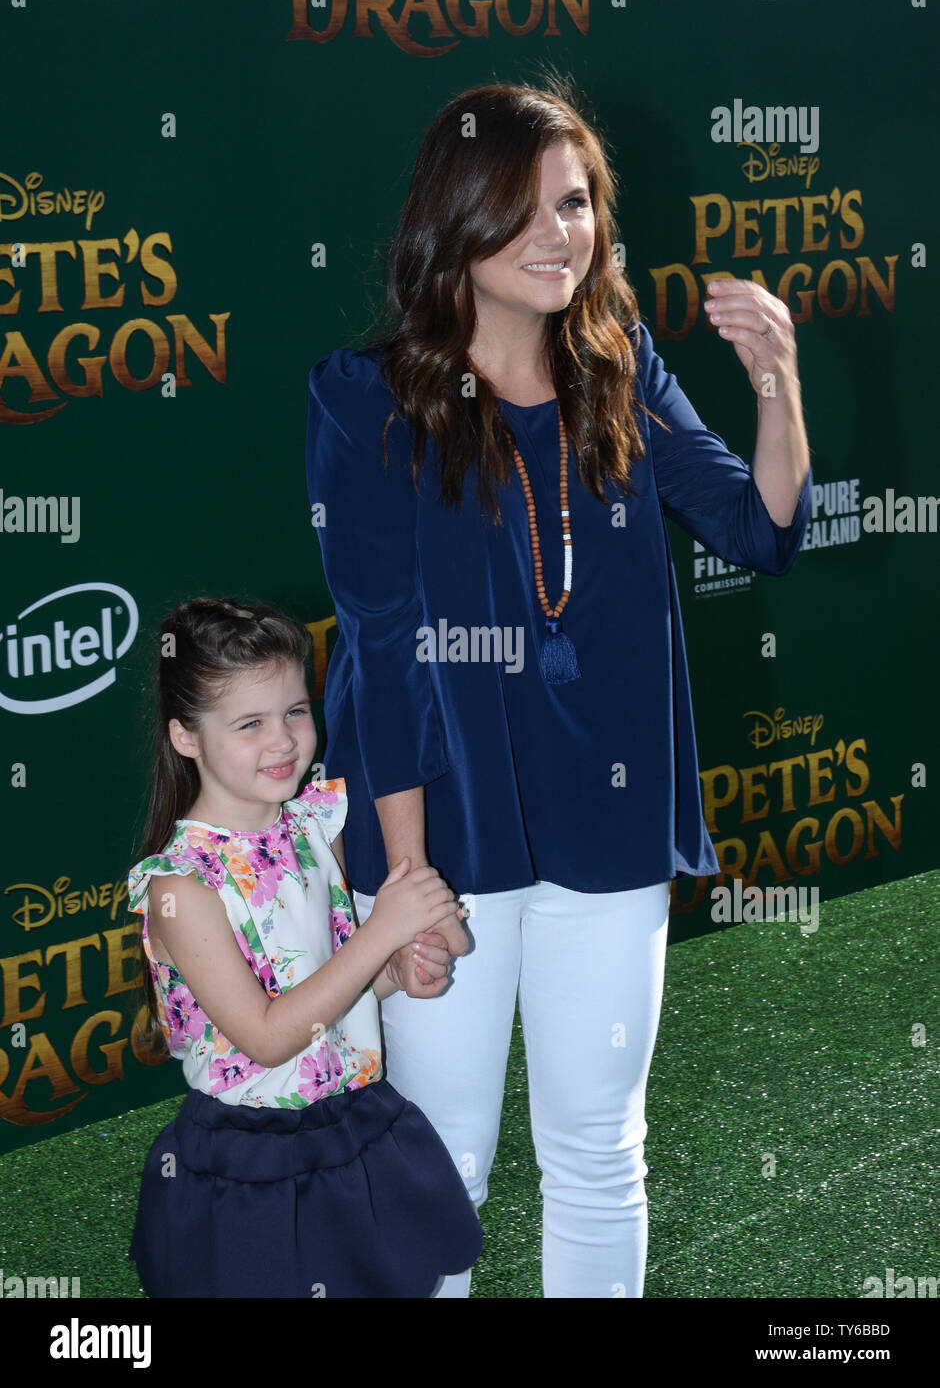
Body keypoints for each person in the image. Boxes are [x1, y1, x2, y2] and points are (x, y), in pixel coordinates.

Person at [305, 78, 812, 1298]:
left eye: (577, 203)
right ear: (456, 219)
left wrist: (776, 381)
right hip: (446, 832)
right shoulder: (366, 398)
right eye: (525, 207)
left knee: (599, 1152)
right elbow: (379, 650)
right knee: (443, 1169)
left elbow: (760, 528)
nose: (559, 233)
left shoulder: (620, 367)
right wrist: (406, 892)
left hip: (610, 822)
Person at [125, 596, 483, 1298]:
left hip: (357, 1125)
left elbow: (329, 981)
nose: (283, 740)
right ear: (185, 737)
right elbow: (266, 1038)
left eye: (294, 711)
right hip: (253, 1159)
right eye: (249, 724)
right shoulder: (181, 886)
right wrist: (381, 934)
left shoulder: (314, 824)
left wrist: (394, 971)